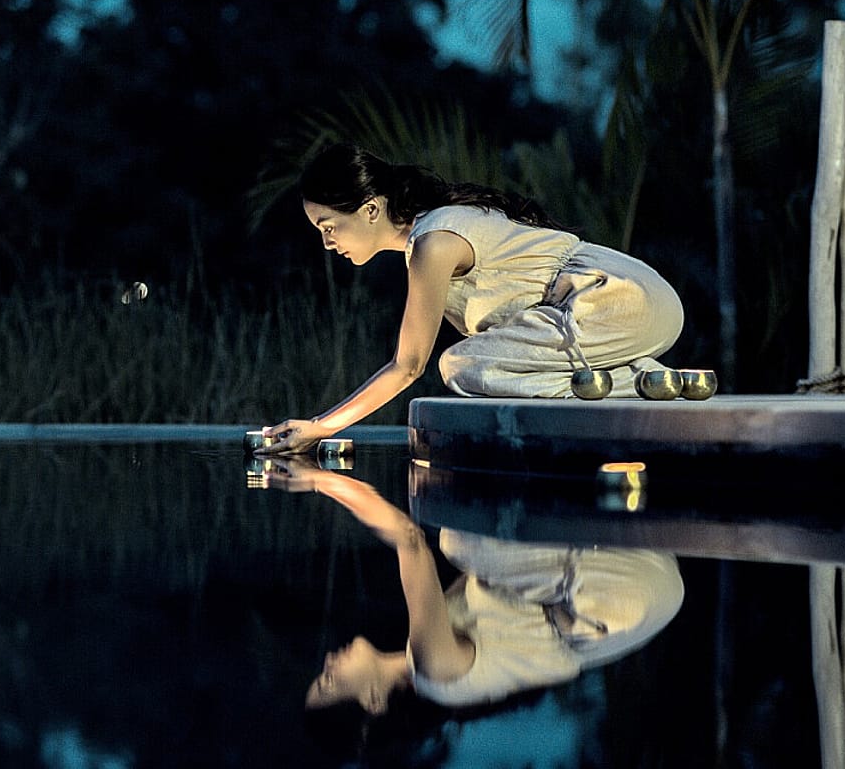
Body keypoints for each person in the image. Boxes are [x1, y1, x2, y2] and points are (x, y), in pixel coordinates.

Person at [257, 142, 685, 455]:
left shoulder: (433, 241)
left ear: (370, 209)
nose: (327, 242)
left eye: (329, 226)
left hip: (614, 299)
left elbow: (409, 365)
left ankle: (635, 383)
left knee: (461, 364)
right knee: (479, 360)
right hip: (641, 300)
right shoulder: (435, 228)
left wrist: (321, 426)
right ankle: (646, 377)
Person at [261, 455, 685, 713]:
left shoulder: (432, 665)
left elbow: (492, 573)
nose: (328, 663)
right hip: (622, 596)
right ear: (373, 700)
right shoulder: (434, 671)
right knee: (458, 540)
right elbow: (410, 541)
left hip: (637, 590)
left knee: (468, 533)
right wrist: (326, 481)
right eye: (329, 682)